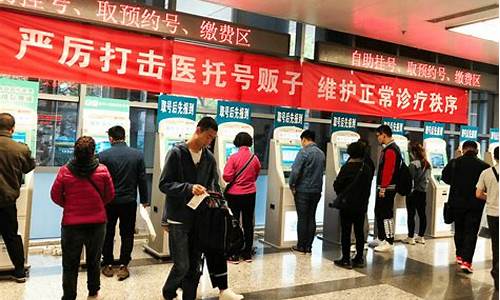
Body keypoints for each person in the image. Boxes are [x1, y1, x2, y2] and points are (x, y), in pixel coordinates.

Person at [159, 117, 243, 300]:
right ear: (198, 130)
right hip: (178, 218)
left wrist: (222, 205)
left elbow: (215, 185)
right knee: (182, 264)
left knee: (195, 264)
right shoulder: (176, 153)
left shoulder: (209, 158)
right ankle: (168, 291)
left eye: (213, 138)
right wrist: (189, 188)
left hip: (201, 217)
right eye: (208, 136)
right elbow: (164, 184)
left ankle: (189, 296)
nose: (210, 141)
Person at [51, 136, 115, 300]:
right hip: (97, 224)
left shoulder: (65, 170)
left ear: (75, 151)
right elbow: (109, 195)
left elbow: (55, 195)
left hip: (71, 225)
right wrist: (97, 205)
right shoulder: (102, 170)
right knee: (94, 260)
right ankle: (93, 292)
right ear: (93, 151)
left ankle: (69, 295)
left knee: (70, 263)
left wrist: (69, 205)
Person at [98, 126, 149, 280]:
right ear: (124, 136)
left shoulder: (103, 156)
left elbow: (99, 180)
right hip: (129, 201)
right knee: (127, 234)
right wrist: (145, 200)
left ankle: (107, 263)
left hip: (109, 202)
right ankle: (124, 265)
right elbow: (142, 179)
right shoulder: (137, 155)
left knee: (107, 232)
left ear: (111, 138)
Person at [442, 140, 489, 273]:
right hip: (475, 204)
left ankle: (459, 255)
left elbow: (445, 178)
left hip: (457, 203)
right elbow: (485, 186)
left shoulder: (455, 162)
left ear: (462, 150)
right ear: (477, 151)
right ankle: (467, 261)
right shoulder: (484, 166)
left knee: (459, 229)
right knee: (471, 232)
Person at [0, 113, 36, 283]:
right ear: (12, 129)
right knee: (12, 236)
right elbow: (29, 167)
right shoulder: (20, 148)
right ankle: (20, 272)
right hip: (7, 201)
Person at [333, 141, 374, 269]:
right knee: (359, 232)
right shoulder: (366, 168)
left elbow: (337, 185)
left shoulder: (346, 168)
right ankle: (359, 258)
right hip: (361, 205)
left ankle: (345, 259)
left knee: (346, 231)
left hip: (347, 205)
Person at [223, 132, 261, 264]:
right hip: (250, 194)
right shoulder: (254, 158)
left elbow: (226, 177)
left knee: (234, 223)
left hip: (234, 194)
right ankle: (247, 254)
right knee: (248, 223)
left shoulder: (233, 158)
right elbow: (256, 175)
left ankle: (233, 254)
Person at [289, 129, 326, 254]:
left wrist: (292, 185)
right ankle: (309, 246)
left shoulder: (303, 152)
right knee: (311, 217)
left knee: (302, 218)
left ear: (304, 139)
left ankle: (301, 246)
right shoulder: (321, 153)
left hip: (303, 190)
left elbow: (295, 171)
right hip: (316, 190)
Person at [373, 125, 401, 253]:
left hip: (388, 188)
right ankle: (381, 237)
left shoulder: (391, 150)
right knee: (379, 211)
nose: (377, 138)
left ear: (384, 134)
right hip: (383, 187)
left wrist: (383, 188)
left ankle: (389, 241)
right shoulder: (388, 149)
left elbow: (388, 171)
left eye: (378, 135)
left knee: (386, 214)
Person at [476, 146, 499, 288]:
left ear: (494, 157)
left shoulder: (486, 173)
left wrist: (489, 197)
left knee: (496, 245)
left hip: (493, 213)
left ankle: (497, 276)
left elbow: (478, 194)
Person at [402, 143, 431, 245]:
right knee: (422, 215)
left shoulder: (413, 164)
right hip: (423, 193)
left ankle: (411, 237)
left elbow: (410, 179)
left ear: (414, 152)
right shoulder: (427, 164)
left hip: (413, 193)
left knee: (411, 215)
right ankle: (421, 236)